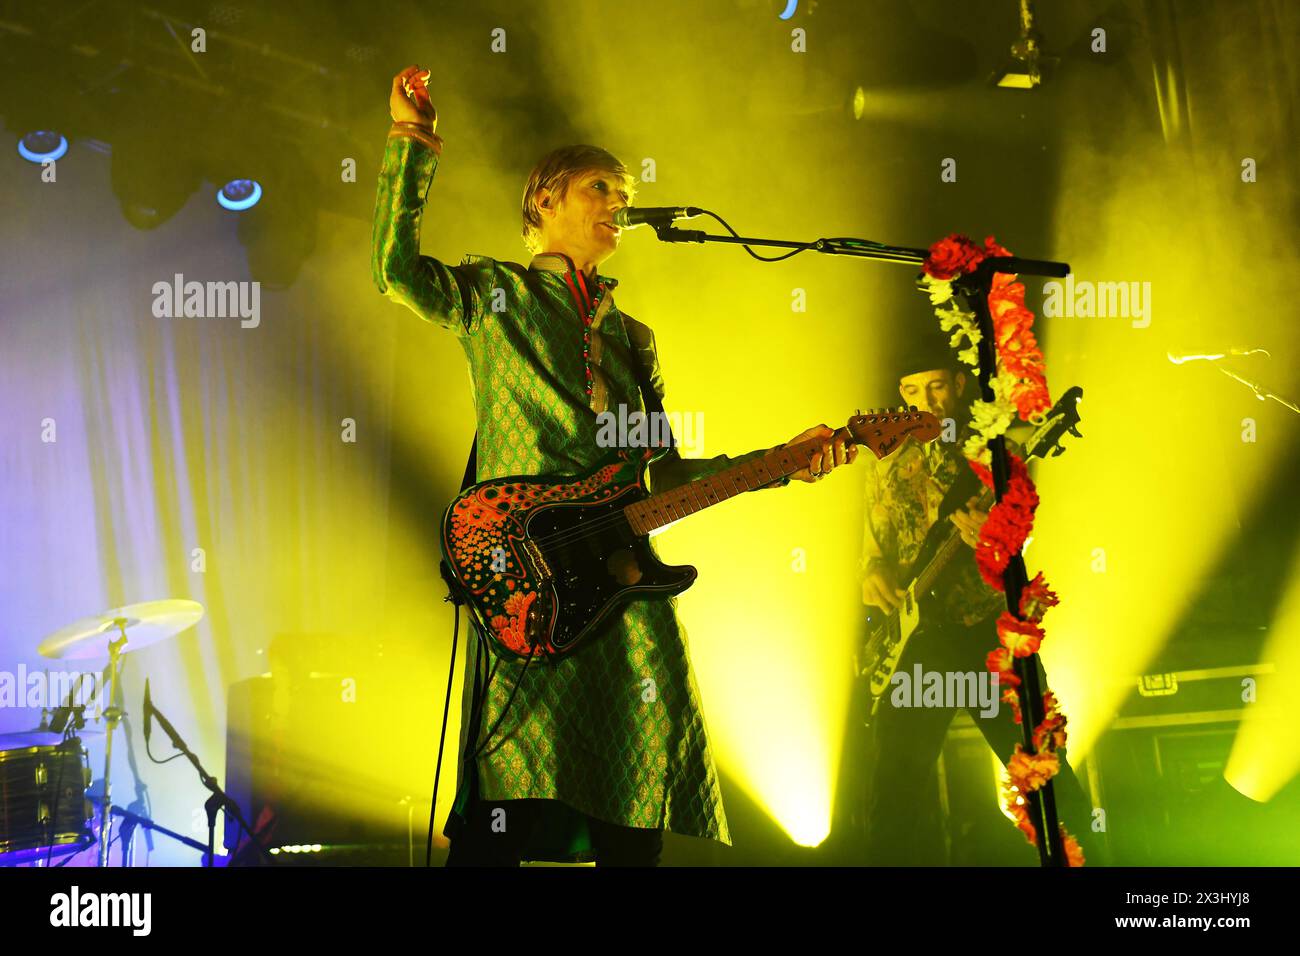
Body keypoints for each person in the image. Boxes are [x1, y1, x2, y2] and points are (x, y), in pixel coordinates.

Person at [373, 64, 856, 866]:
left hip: (625, 586)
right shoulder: (496, 297)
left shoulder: (636, 338)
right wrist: (410, 139)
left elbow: (659, 475)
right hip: (533, 576)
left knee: (635, 813)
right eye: (602, 188)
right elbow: (395, 272)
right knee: (508, 807)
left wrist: (782, 462)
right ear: (545, 202)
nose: (619, 206)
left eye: (623, 195)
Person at [856, 332, 1100, 865]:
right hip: (917, 641)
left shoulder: (999, 447)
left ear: (960, 385)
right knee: (893, 795)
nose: (925, 401)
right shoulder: (885, 457)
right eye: (912, 390)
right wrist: (873, 573)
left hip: (988, 630)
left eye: (937, 387)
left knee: (1046, 779)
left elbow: (1025, 526)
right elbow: (875, 546)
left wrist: (996, 533)